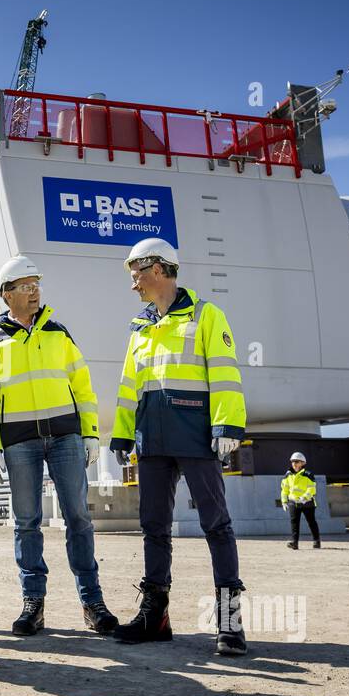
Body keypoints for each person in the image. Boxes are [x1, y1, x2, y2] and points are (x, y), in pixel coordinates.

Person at [108, 238, 249, 656]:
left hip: (196, 435)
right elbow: (128, 386)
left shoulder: (207, 315)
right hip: (151, 439)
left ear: (158, 268)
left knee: (216, 524)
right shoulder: (140, 327)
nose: (132, 280)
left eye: (136, 270)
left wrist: (227, 424)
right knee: (153, 526)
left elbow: (225, 373)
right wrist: (121, 432)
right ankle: (156, 617)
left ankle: (229, 623)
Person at [0, 255, 118, 637]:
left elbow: (82, 389)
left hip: (66, 439)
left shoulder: (59, 334)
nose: (35, 291)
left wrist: (89, 434)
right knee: (26, 524)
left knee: (79, 520)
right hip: (19, 445)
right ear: (6, 295)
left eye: (37, 284)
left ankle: (92, 602)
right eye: (25, 285)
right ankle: (32, 604)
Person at [281, 451, 321, 549]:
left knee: (311, 522)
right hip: (293, 502)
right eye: (292, 461)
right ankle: (295, 543)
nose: (294, 463)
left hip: (307, 503)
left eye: (297, 461)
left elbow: (312, 488)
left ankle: (316, 541)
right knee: (294, 522)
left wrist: (304, 497)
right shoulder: (288, 475)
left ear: (303, 463)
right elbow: (284, 489)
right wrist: (284, 501)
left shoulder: (308, 474)